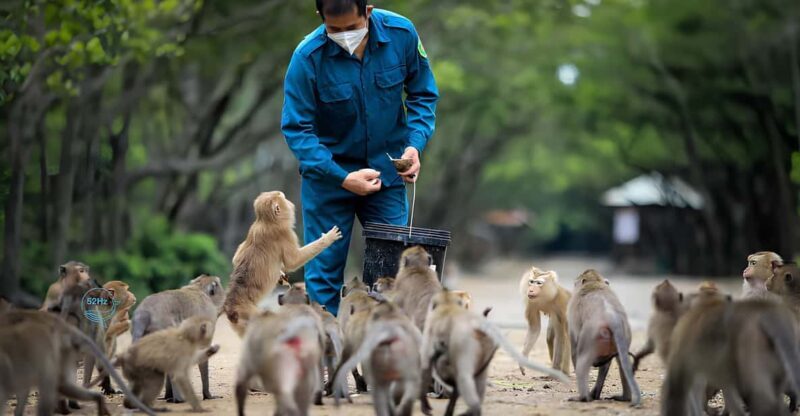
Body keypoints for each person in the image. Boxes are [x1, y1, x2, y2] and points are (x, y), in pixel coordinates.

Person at [281, 0, 439, 315]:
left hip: (387, 175)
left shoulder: (401, 34)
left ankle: (384, 355)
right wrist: (341, 177)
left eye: (351, 28)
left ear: (368, 11)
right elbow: (297, 129)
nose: (343, 36)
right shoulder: (306, 57)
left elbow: (423, 94)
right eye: (333, 29)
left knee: (391, 273)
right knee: (322, 275)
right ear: (320, 17)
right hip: (328, 180)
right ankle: (328, 357)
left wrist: (413, 145)